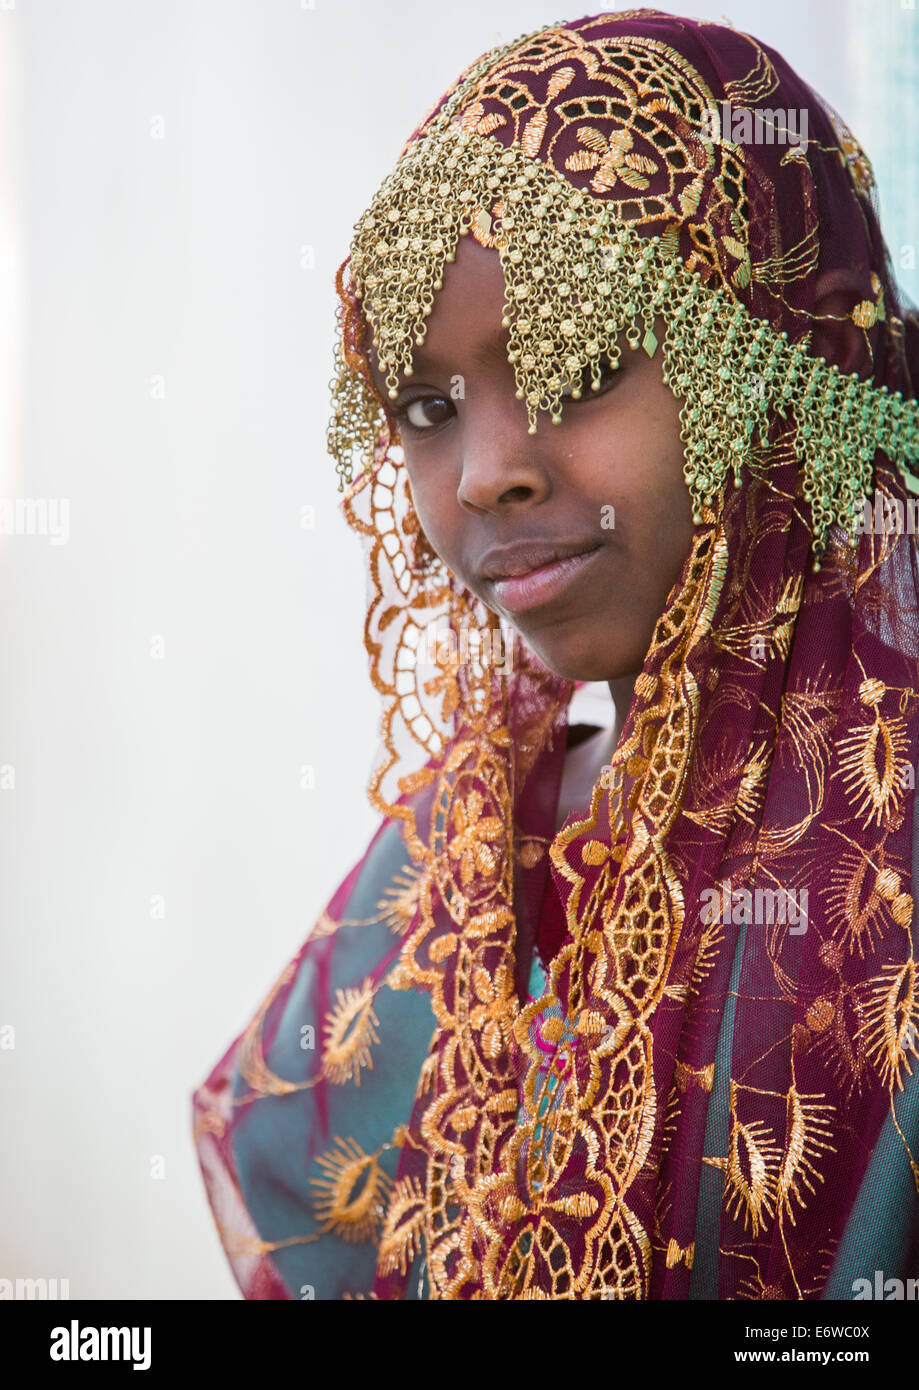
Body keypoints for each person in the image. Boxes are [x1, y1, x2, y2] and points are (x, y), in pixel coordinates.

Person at [192, 9, 919, 1299]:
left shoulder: (891, 872)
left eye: (575, 364)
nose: (483, 475)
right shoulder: (462, 855)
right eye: (423, 408)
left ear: (774, 355)